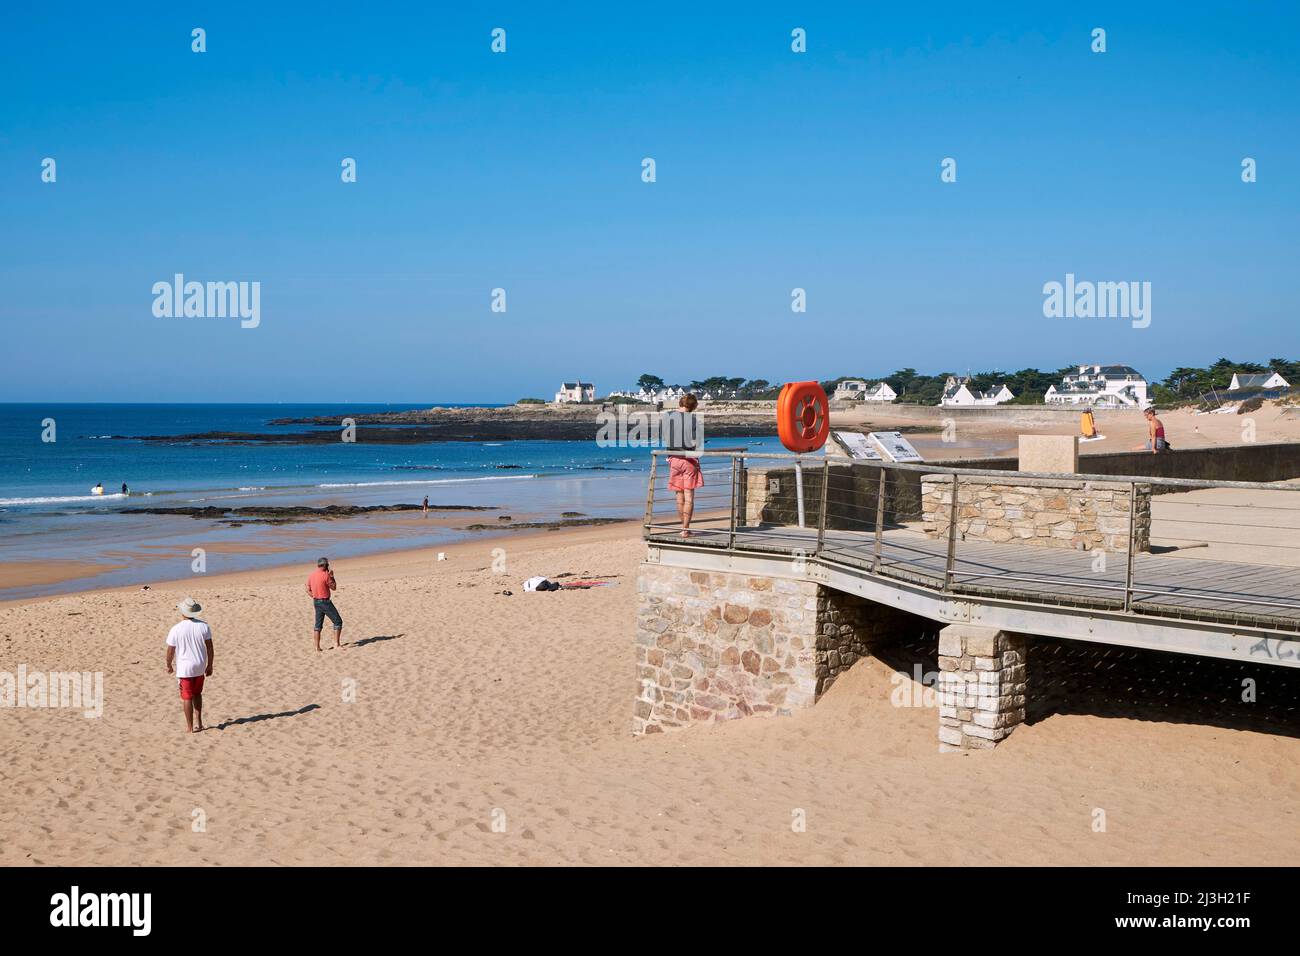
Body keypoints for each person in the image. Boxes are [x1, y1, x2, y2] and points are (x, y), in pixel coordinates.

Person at [166, 598, 213, 734]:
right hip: (199, 665)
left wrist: (168, 665)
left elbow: (170, 650)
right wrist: (210, 665)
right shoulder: (204, 626)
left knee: (187, 697)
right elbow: (210, 647)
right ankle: (200, 723)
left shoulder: (176, 629)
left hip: (185, 668)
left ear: (182, 612)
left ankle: (190, 727)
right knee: (197, 693)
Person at [665, 393, 703, 538]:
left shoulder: (668, 417)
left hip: (673, 459)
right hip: (689, 460)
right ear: (693, 406)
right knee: (689, 497)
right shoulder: (693, 420)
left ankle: (683, 527)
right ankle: (685, 529)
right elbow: (696, 442)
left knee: (679, 497)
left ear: (680, 403)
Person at [307, 557, 343, 651]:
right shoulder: (326, 575)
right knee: (338, 621)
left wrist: (315, 596)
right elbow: (334, 587)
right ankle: (336, 644)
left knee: (318, 625)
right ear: (325, 565)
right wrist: (332, 576)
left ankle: (317, 647)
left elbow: (307, 590)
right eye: (327, 565)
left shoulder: (311, 575)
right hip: (325, 602)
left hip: (316, 601)